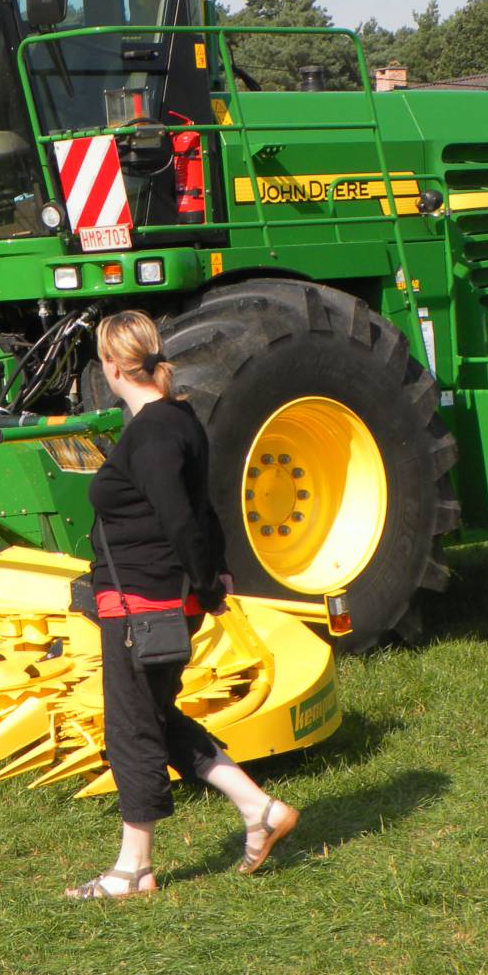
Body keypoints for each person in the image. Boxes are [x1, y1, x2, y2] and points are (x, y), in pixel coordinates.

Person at [64, 310, 299, 899]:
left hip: (143, 604)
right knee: (159, 719)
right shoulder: (179, 420)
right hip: (162, 600)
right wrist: (210, 576)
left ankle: (133, 868)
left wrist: (209, 583)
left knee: (131, 728)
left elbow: (178, 517)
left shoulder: (151, 433)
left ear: (112, 366)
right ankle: (257, 807)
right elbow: (204, 508)